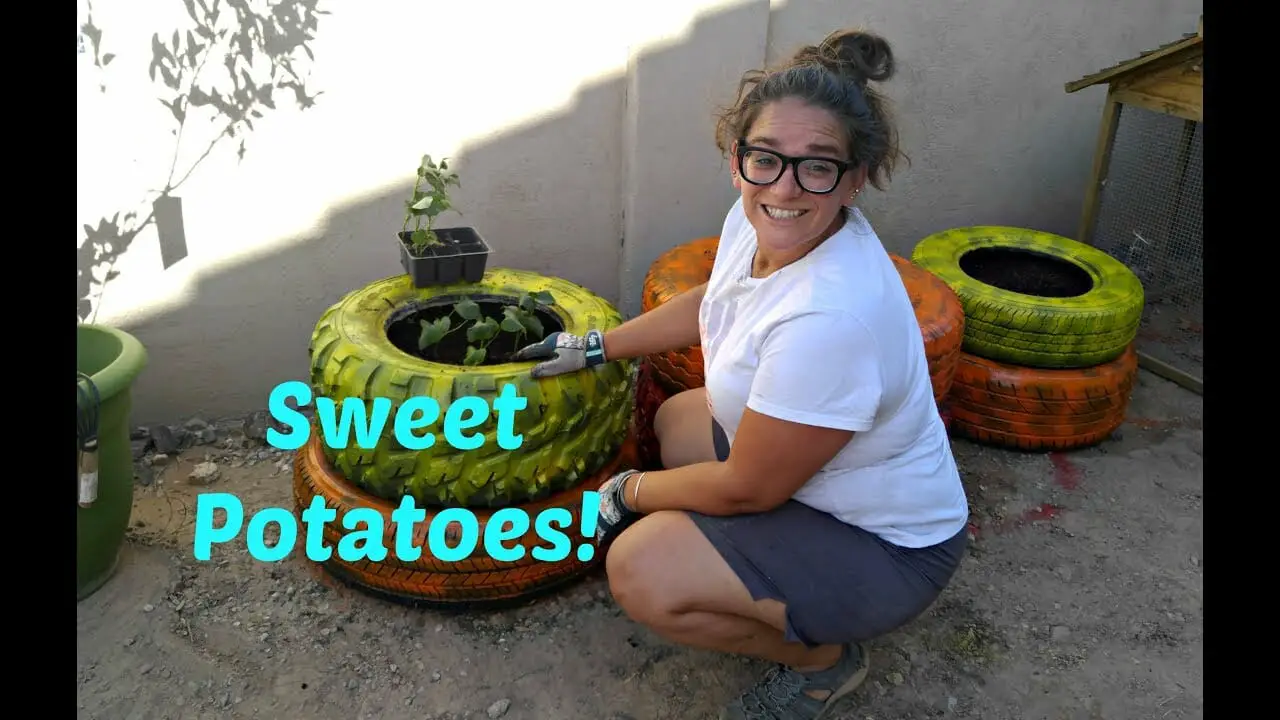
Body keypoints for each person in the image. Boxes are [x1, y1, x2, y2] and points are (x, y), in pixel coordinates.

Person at [513, 26, 970, 720]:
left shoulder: (831, 318)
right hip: (816, 485)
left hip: (888, 547)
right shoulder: (759, 218)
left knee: (639, 570)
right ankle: (742, 562)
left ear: (853, 181)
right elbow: (717, 299)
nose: (785, 187)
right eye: (767, 159)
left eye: (817, 166)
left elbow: (748, 487)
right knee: (676, 419)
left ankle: (824, 661)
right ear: (738, 160)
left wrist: (629, 492)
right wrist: (595, 346)